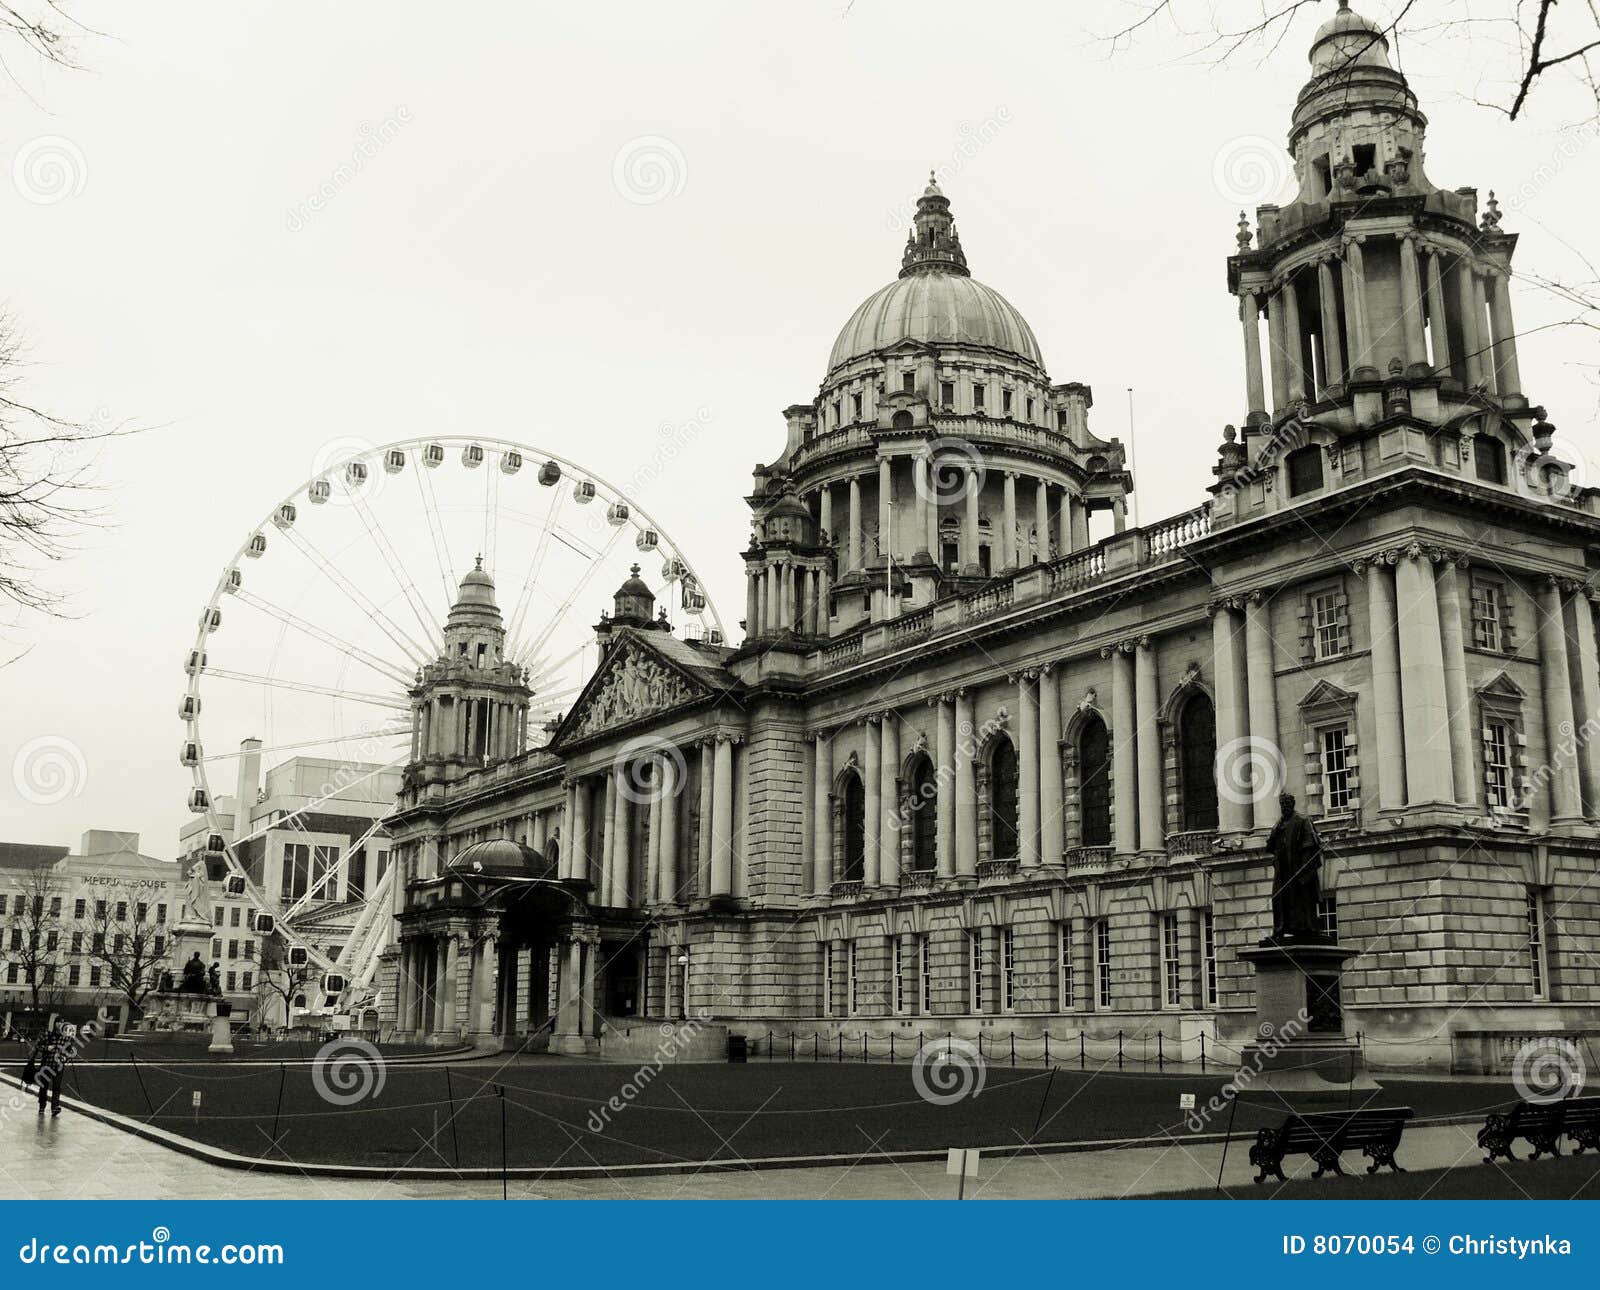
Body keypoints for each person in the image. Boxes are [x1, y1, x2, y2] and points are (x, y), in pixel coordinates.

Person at [24, 1022, 74, 1115]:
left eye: (62, 1023)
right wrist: (47, 1048)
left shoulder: (66, 1037)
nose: (60, 1025)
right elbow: (38, 1046)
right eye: (58, 1022)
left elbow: (70, 1050)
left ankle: (55, 1108)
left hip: (59, 1067)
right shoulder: (47, 1034)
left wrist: (66, 1057)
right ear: (55, 1023)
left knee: (57, 1087)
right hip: (46, 1065)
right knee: (44, 1087)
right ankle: (42, 1106)